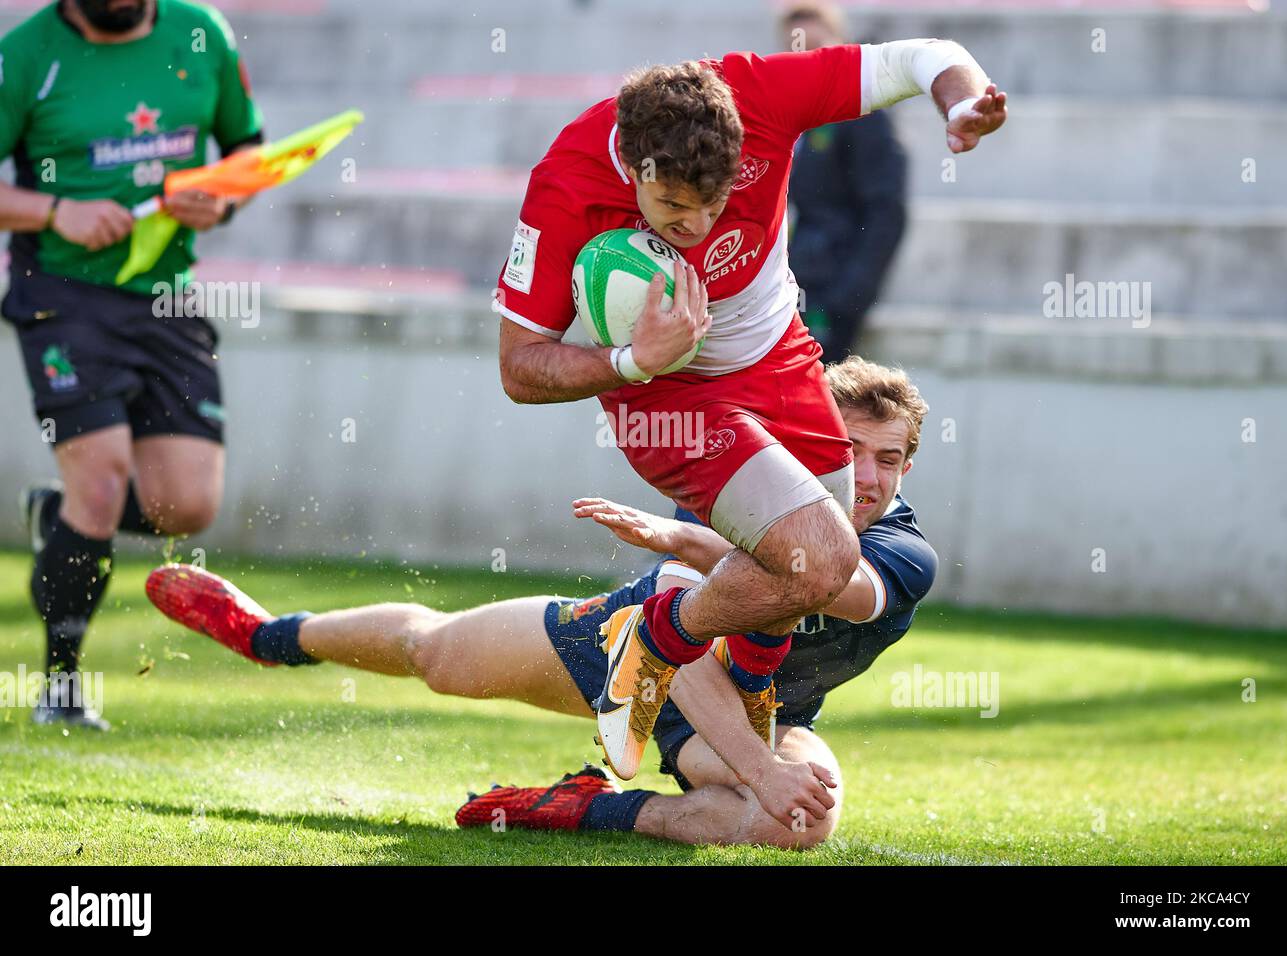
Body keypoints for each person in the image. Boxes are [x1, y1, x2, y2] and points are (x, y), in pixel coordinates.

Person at [146, 358, 937, 847]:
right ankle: (268, 635)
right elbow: (679, 651)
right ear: (804, 441)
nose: (863, 477)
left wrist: (767, 772)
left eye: (888, 459)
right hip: (631, 649)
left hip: (759, 712)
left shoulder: (906, 555)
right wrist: (760, 770)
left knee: (799, 821)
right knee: (438, 655)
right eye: (845, 450)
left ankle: (583, 807)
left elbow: (839, 585)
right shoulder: (753, 496)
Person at [492, 37, 1002, 778]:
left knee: (810, 573)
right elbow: (519, 367)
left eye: (717, 202)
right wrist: (635, 361)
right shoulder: (566, 181)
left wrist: (960, 99)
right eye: (673, 207)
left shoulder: (760, 94)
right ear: (635, 169)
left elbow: (922, 55)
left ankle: (748, 671)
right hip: (667, 394)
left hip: (781, 360)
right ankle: (661, 638)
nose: (698, 228)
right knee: (825, 554)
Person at [0, 0, 263, 729]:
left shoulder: (201, 32)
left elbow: (249, 151)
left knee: (187, 508)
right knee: (103, 478)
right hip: (62, 296)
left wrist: (224, 200)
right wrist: (55, 210)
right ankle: (61, 688)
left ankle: (57, 516)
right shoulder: (24, 56)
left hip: (168, 299)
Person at [782, 2, 908, 363]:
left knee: (832, 402)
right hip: (798, 285)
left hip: (833, 291)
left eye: (817, 50)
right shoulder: (796, 118)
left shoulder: (864, 114)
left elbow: (887, 209)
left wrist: (849, 297)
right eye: (797, 52)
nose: (807, 59)